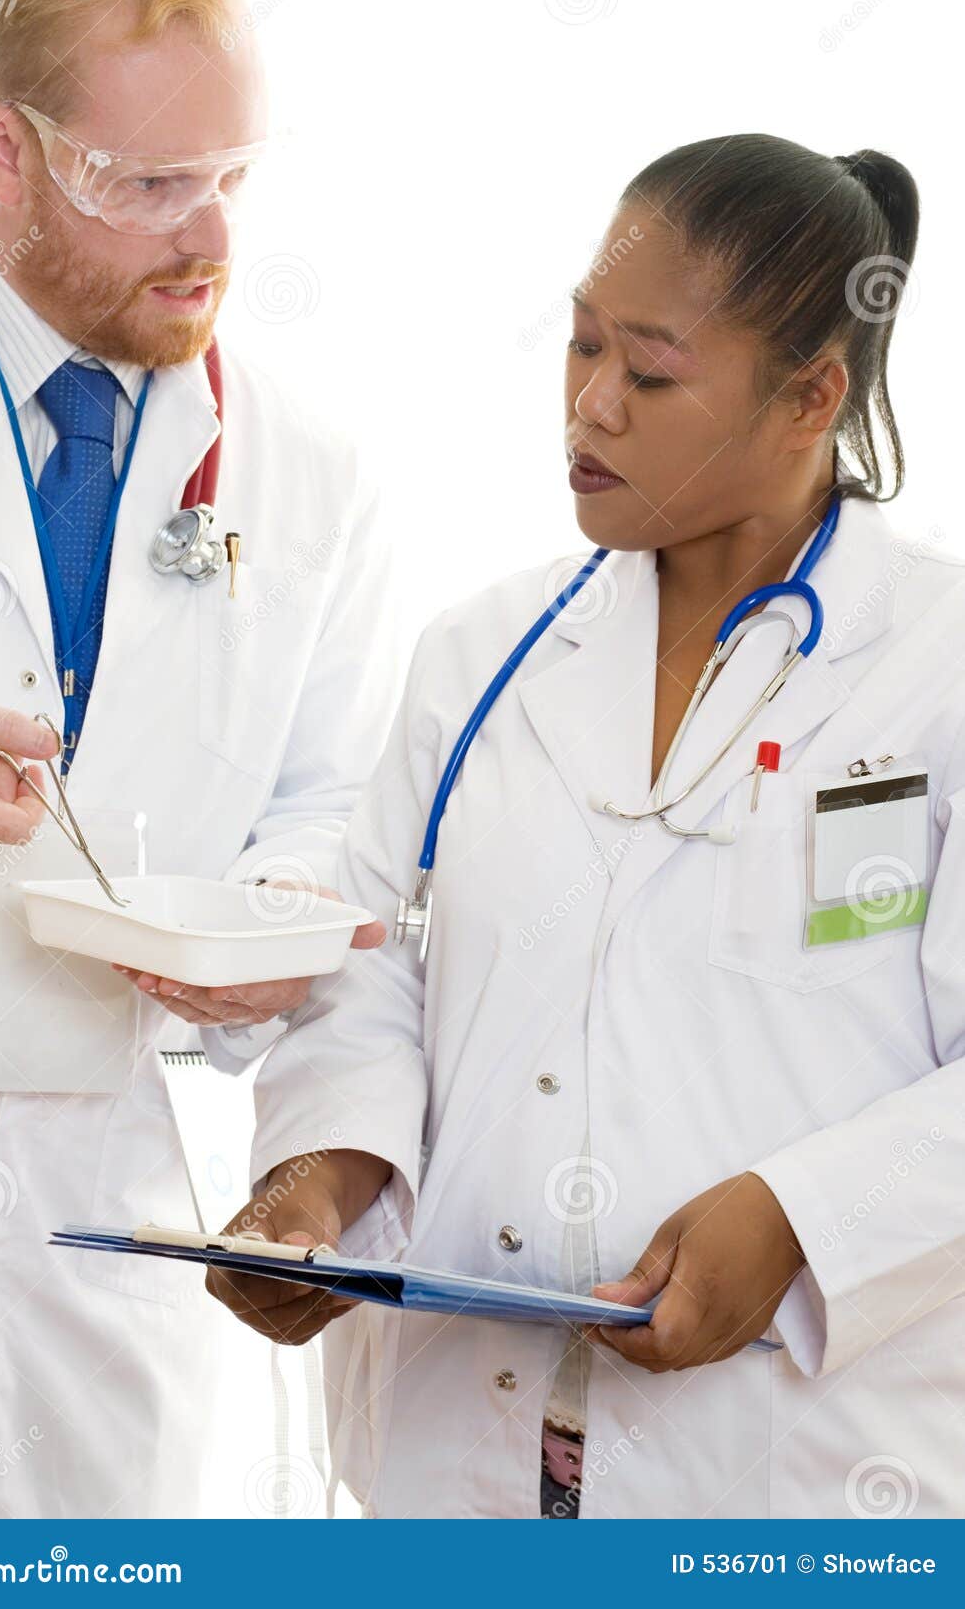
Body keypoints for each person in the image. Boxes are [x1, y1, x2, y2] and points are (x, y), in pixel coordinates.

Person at [209, 135, 965, 1519]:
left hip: (790, 1480)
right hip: (462, 1462)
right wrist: (317, 1185)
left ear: (811, 396)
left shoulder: (939, 666)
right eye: (578, 346)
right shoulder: (482, 656)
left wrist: (795, 1222)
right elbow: (374, 966)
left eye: (652, 370)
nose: (590, 408)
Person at [0, 0, 393, 1518]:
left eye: (233, 173)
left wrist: (274, 923)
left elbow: (334, 815)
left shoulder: (310, 478)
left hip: (95, 1302)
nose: (209, 236)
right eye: (148, 182)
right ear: (2, 151)